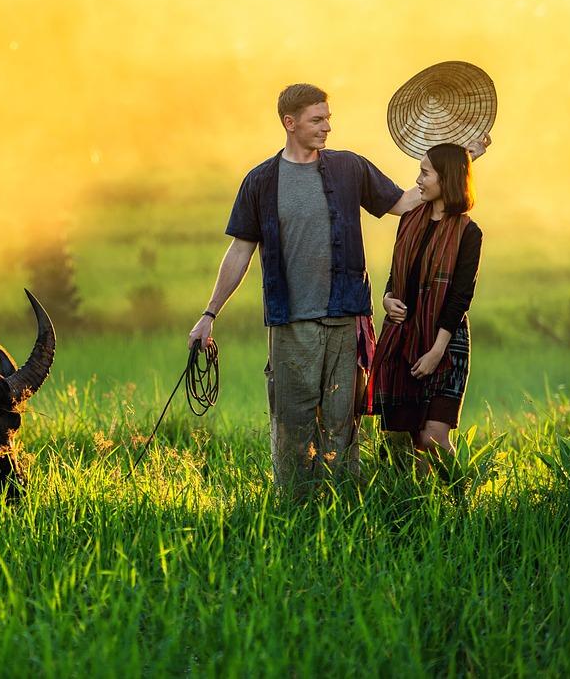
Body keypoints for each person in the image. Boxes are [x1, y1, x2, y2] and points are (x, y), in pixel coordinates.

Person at [188, 84, 423, 491]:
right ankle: (292, 510)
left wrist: (462, 160)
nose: (327, 127)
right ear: (289, 122)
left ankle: (342, 506)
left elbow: (403, 202)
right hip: (291, 326)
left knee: (342, 427)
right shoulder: (261, 181)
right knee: (292, 428)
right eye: (317, 119)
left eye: (328, 118)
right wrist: (210, 314)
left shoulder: (350, 168)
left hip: (345, 322)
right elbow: (240, 252)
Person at [369, 143, 482, 457]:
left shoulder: (469, 232)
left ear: (445, 179)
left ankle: (461, 501)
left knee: (432, 438)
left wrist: (436, 351)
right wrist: (387, 299)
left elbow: (461, 297)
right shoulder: (409, 219)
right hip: (402, 338)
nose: (418, 180)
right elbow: (396, 275)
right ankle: (421, 505)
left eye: (425, 172)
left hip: (445, 342)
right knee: (404, 444)